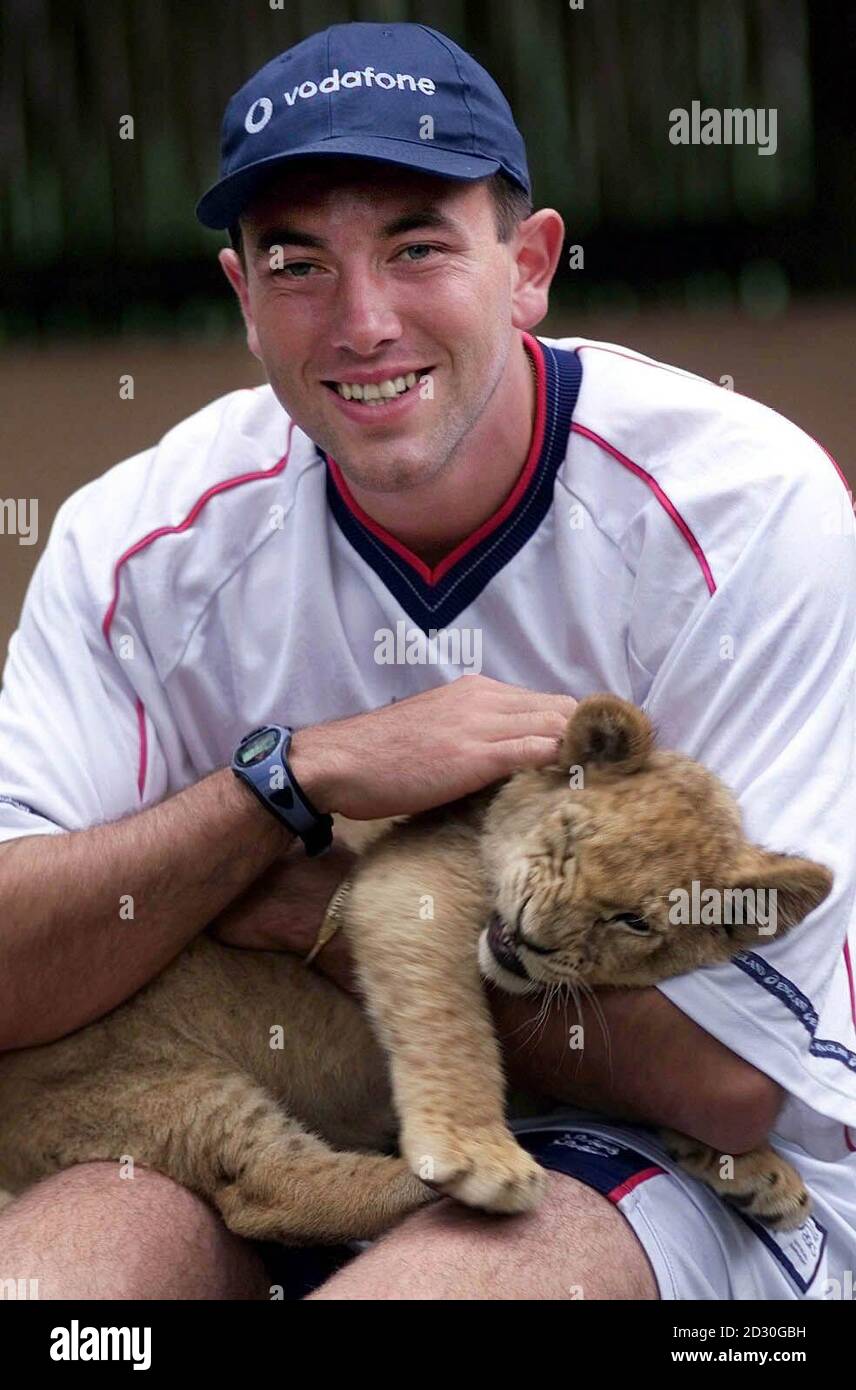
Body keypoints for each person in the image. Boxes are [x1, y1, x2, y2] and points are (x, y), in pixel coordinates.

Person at [0, 21, 853, 1302]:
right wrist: (285, 783)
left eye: (417, 246)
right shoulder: (139, 538)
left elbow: (733, 1084)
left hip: (649, 1158)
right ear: (240, 297)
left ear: (530, 267)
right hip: (261, 1110)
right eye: (297, 262)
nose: (361, 320)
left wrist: (334, 920)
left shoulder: (742, 510)